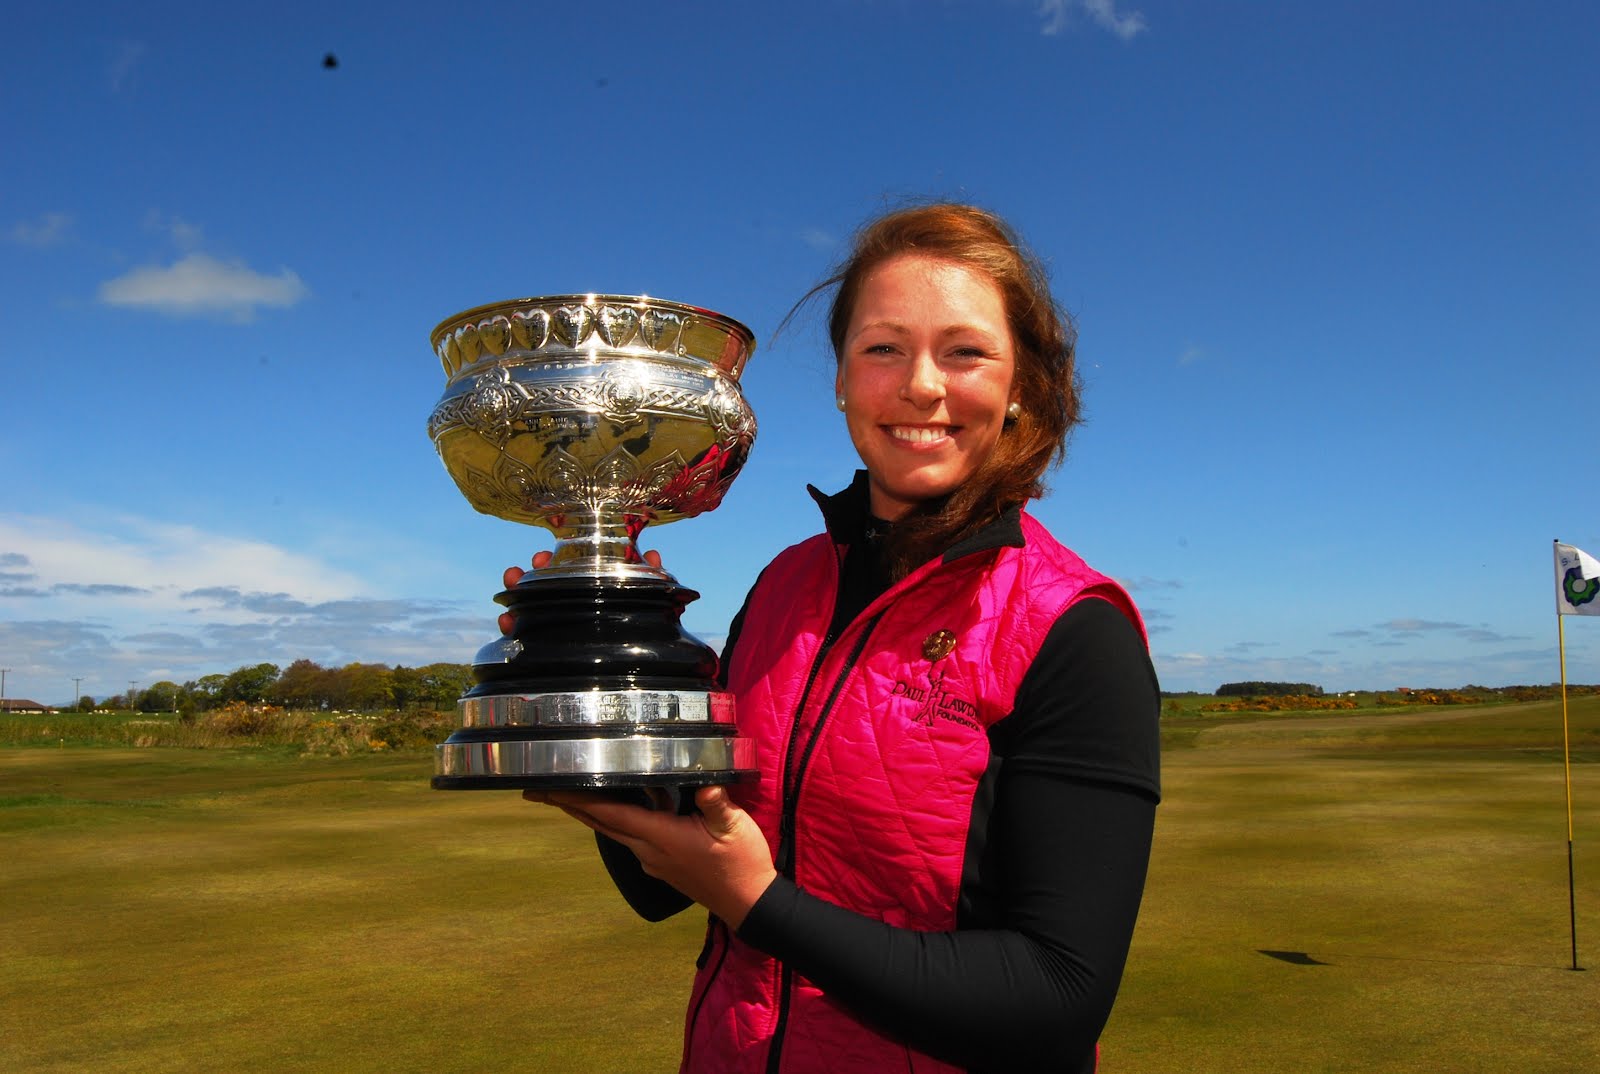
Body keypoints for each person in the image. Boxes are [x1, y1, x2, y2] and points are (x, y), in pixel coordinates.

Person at [509, 203, 1161, 1074]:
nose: (921, 385)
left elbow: (1057, 997)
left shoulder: (1075, 628)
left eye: (965, 351)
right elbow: (658, 882)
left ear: (1021, 389)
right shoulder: (783, 589)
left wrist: (757, 902)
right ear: (843, 380)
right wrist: (592, 661)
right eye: (882, 347)